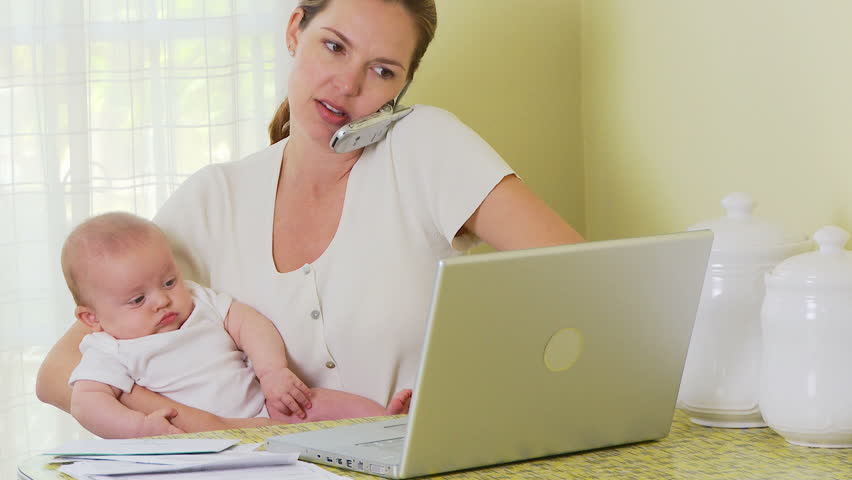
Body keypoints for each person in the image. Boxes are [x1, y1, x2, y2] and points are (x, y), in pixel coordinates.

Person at [36, 0, 584, 433]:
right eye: (334, 46)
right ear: (295, 29)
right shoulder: (212, 198)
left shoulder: (425, 145)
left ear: (403, 86)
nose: (347, 86)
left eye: (382, 70)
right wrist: (210, 426)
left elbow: (588, 283)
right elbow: (59, 372)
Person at [62, 212, 412, 438]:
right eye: (138, 300)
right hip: (200, 439)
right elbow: (87, 403)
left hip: (268, 407)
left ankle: (385, 427)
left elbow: (249, 323)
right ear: (92, 318)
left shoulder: (198, 300)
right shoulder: (108, 349)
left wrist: (272, 372)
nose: (162, 300)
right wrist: (138, 428)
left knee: (321, 402)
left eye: (169, 282)